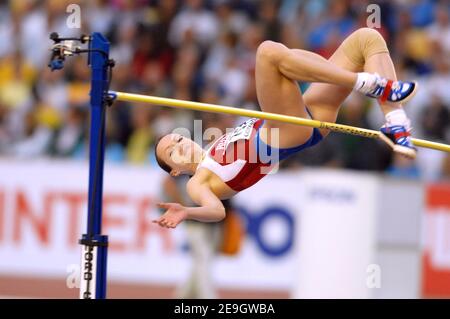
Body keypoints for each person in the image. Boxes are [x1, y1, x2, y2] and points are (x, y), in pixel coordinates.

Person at [153, 28, 418, 229]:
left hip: (305, 114)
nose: (181, 145)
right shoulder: (197, 182)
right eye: (172, 152)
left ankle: (396, 121)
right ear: (176, 170)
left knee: (367, 38)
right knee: (268, 52)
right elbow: (217, 211)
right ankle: (366, 83)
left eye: (177, 139)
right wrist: (187, 212)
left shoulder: (214, 145)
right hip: (281, 134)